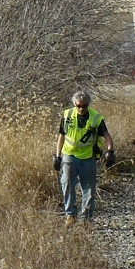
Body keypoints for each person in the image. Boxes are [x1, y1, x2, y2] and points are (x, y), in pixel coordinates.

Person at [54, 90, 115, 227]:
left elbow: (106, 134)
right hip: (69, 155)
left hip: (88, 157)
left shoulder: (96, 118)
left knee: (88, 188)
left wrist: (110, 151)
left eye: (85, 106)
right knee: (67, 184)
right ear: (74, 104)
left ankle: (87, 219)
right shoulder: (67, 115)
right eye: (79, 105)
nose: (81, 108)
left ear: (88, 105)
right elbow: (61, 136)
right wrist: (57, 156)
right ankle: (70, 215)